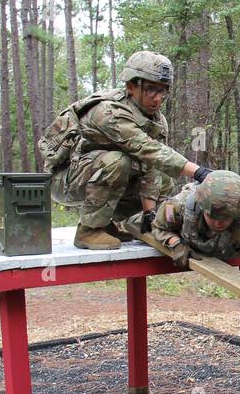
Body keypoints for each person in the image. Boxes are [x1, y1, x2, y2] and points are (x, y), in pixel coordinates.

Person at [47, 51, 213, 250]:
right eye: (151, 90)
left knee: (165, 176)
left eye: (163, 91)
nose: (158, 98)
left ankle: (108, 224)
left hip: (94, 175)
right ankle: (88, 230)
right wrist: (199, 172)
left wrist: (149, 214)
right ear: (131, 86)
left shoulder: (156, 120)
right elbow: (147, 149)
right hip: (64, 181)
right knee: (117, 161)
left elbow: (154, 164)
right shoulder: (108, 111)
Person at [144, 170, 240, 266]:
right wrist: (176, 243)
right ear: (202, 206)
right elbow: (158, 227)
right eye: (212, 216)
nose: (218, 222)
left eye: (226, 218)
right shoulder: (178, 205)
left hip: (230, 251)